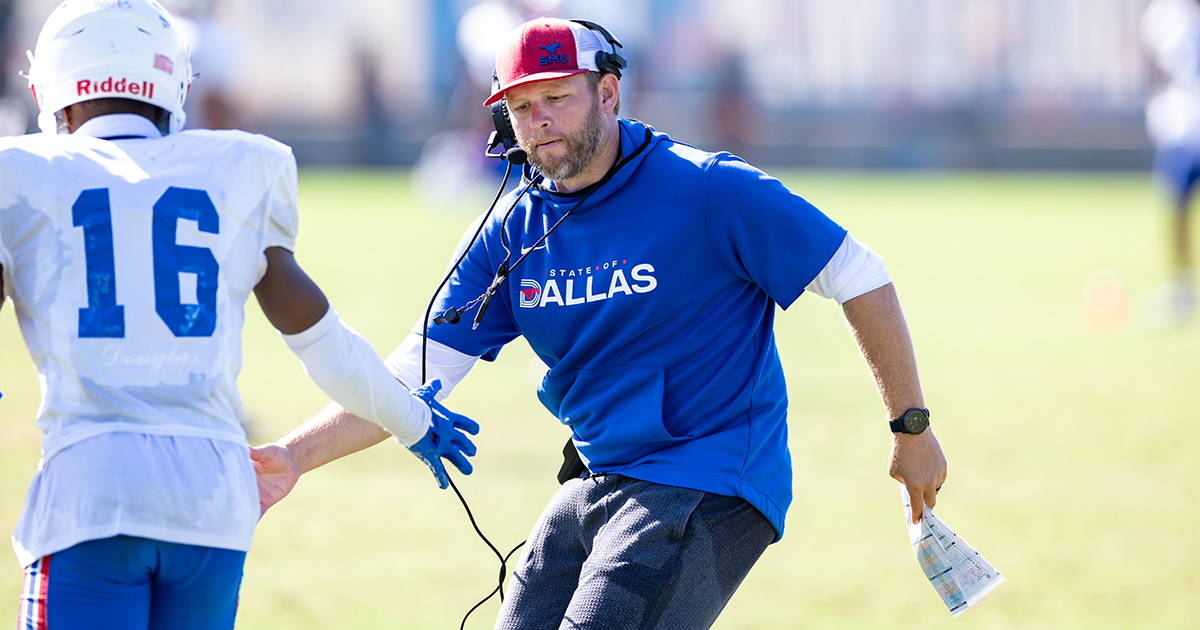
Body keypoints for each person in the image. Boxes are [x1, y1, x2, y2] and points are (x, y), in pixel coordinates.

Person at [253, 17, 947, 629]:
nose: (540, 119)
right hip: (598, 476)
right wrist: (291, 457)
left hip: (711, 476)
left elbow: (861, 275)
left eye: (557, 96)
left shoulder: (709, 188)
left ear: (608, 94)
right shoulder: (506, 233)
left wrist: (910, 429)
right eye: (521, 107)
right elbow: (408, 375)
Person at [0, 2, 476, 628]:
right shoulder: (241, 165)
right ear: (175, 84)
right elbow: (325, 344)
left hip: (91, 493)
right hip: (211, 501)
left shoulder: (21, 172)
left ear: (48, 89)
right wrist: (412, 419)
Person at [1141, 0, 1200, 327]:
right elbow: (1155, 67)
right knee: (1176, 208)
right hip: (1186, 128)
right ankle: (1182, 290)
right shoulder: (1166, 14)